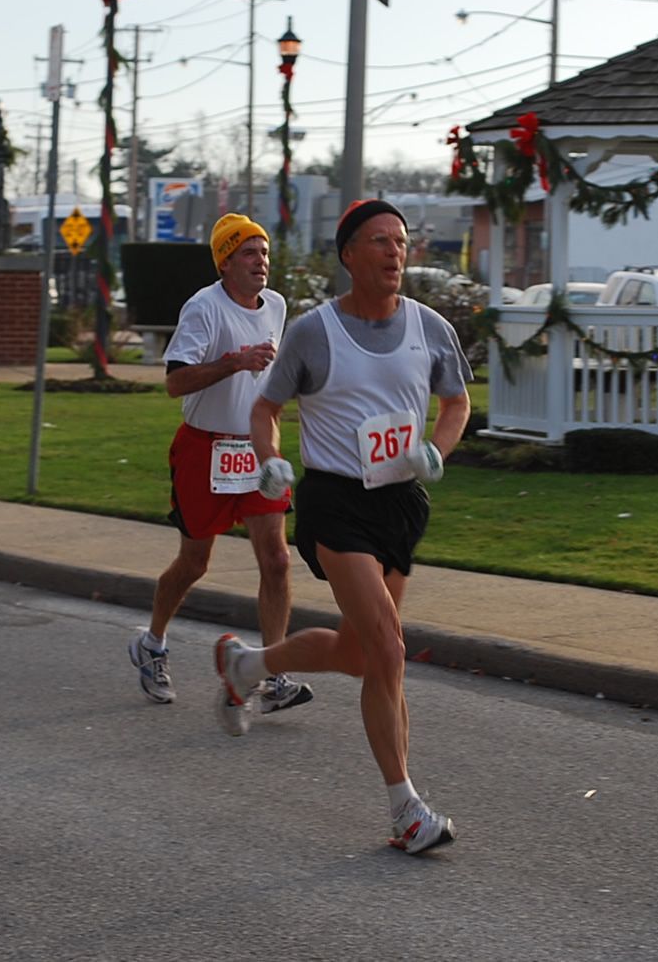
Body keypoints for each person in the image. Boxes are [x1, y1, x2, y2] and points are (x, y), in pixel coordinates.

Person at [212, 199, 473, 855]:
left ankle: (248, 665)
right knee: (389, 647)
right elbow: (267, 409)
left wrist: (437, 448)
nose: (394, 252)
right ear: (349, 254)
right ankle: (405, 809)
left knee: (359, 654)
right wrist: (270, 460)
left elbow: (457, 400)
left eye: (402, 241)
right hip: (335, 501)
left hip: (399, 502)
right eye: (379, 241)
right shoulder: (315, 332)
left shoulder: (430, 327)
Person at [128, 213, 313, 722]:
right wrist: (235, 361)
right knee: (194, 563)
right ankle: (152, 644)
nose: (262, 263)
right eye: (251, 253)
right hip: (203, 449)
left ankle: (272, 675)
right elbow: (175, 383)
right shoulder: (203, 308)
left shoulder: (275, 306)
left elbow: (269, 383)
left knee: (276, 560)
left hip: (254, 449)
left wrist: (274, 443)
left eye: (266, 253)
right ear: (226, 260)